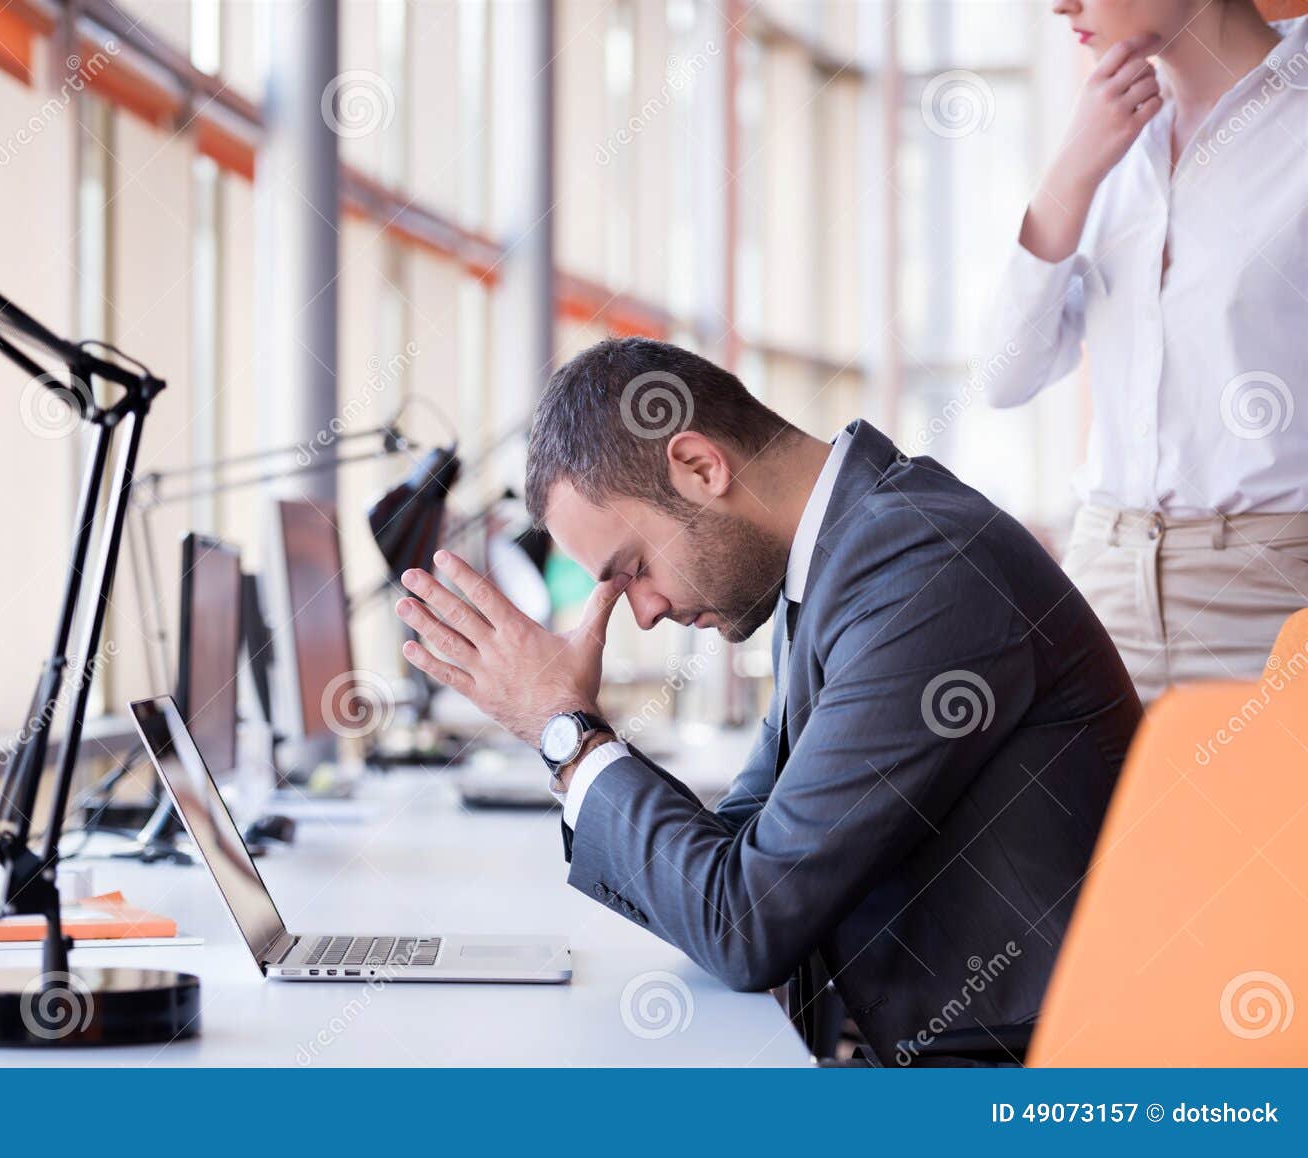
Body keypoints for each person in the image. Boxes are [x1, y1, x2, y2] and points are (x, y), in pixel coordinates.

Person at [392, 338, 1142, 1066]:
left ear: (697, 465)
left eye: (636, 568)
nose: (645, 613)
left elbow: (746, 921)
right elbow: (738, 854)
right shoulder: (838, 560)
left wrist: (568, 733)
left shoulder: (920, 573)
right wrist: (572, 730)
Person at [978, 1, 1308, 702]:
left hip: (1275, 592)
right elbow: (1006, 377)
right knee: (1090, 817)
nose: (1061, 4)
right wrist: (1069, 175)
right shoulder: (1104, 137)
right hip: (1102, 583)